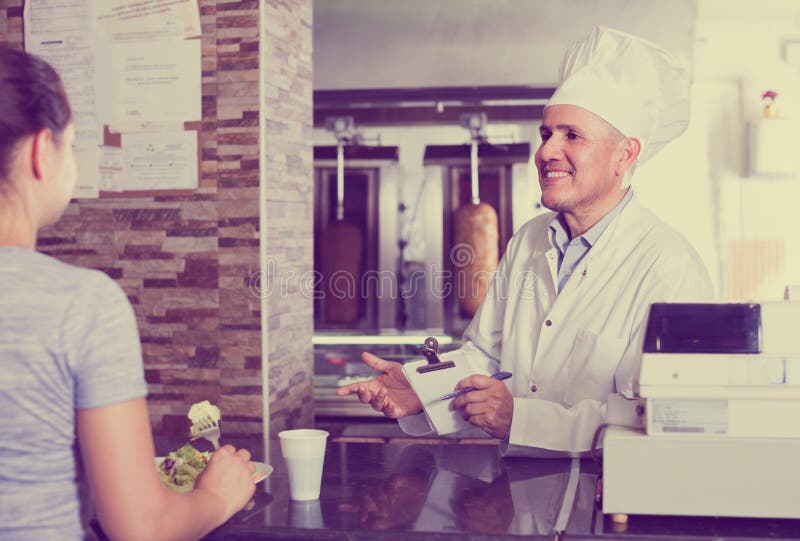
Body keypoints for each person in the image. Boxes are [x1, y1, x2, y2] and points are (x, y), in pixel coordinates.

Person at [337, 26, 715, 455]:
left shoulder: (669, 266)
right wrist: (421, 391)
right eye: (546, 134)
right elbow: (486, 358)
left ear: (624, 155)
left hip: (605, 502)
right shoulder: (531, 240)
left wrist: (523, 419)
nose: (547, 151)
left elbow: (666, 416)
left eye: (572, 135)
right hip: (516, 492)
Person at [0, 47, 255, 540]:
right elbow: (142, 529)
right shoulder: (81, 305)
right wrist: (218, 495)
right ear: (41, 151)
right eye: (73, 145)